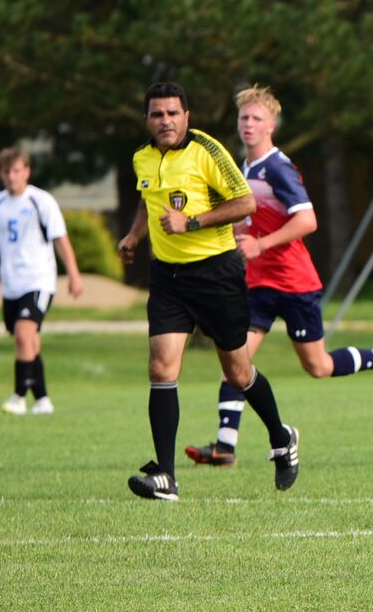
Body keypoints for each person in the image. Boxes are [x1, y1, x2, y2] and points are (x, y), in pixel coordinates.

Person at [184, 85, 373, 468]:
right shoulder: (242, 169)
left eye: (256, 118)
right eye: (244, 117)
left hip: (294, 282)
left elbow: (307, 220)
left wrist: (261, 244)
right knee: (237, 360)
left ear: (271, 126)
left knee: (318, 367)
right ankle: (225, 447)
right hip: (257, 285)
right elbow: (250, 221)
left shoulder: (278, 167)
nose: (248, 124)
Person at [115, 81, 300, 501]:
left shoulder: (207, 151)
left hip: (216, 274)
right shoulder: (142, 157)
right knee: (161, 368)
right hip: (168, 277)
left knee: (238, 373)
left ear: (186, 116)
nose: (165, 121)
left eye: (172, 113)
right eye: (157, 114)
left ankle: (281, 437)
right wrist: (134, 236)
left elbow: (245, 203)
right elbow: (148, 200)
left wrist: (192, 222)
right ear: (146, 119)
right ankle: (166, 476)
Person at [0, 148, 85, 415]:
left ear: (27, 171)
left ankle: (18, 396)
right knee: (28, 341)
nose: (11, 176)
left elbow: (60, 239)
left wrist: (74, 274)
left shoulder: (41, 201)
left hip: (39, 280)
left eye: (16, 170)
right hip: (11, 283)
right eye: (6, 171)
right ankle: (42, 399)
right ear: (0, 174)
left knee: (23, 333)